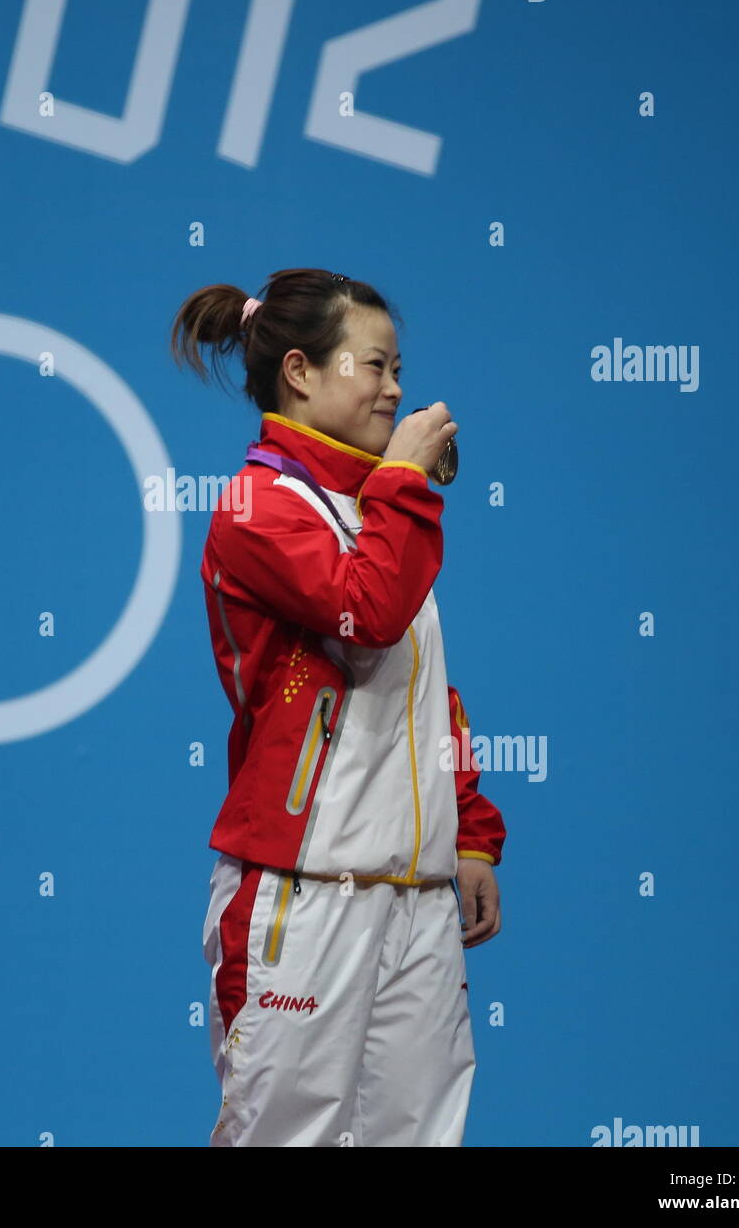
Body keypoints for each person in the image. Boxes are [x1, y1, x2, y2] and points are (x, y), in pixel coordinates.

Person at [170, 267, 506, 1147]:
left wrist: (468, 833)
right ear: (299, 372)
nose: (396, 389)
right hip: (303, 896)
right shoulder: (258, 505)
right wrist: (402, 483)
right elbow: (368, 614)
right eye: (374, 366)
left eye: (399, 368)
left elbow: (427, 692)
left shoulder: (378, 509)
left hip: (417, 902)